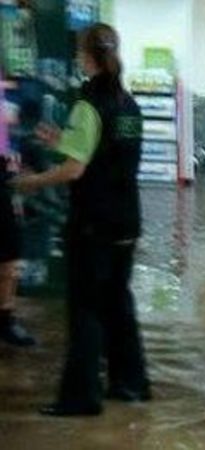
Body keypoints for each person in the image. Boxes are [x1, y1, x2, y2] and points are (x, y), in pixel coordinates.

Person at [10, 23, 150, 416]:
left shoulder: (89, 103)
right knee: (119, 302)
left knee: (85, 309)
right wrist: (64, 142)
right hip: (126, 222)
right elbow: (109, 151)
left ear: (87, 57)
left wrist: (31, 182)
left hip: (94, 224)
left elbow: (74, 170)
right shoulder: (128, 104)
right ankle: (131, 384)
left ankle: (81, 397)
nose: (77, 59)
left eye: (79, 52)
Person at [0, 72, 35, 347]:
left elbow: (18, 134)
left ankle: (6, 320)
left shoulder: (13, 92)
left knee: (10, 255)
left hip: (6, 178)